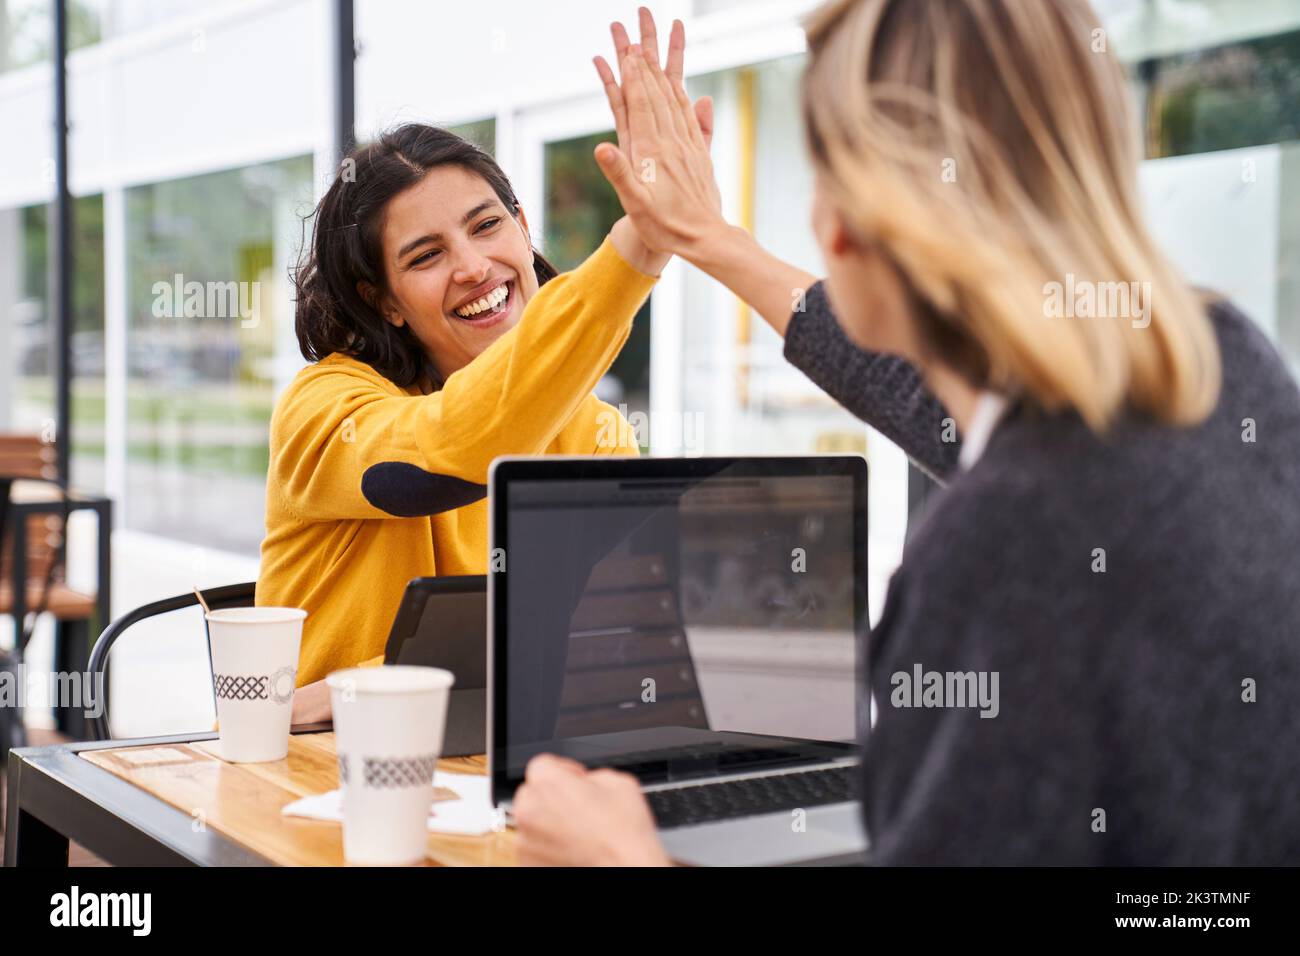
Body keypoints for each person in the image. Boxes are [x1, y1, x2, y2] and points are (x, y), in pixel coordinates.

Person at [512, 3, 1300, 865]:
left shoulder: (995, 554)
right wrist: (713, 241)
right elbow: (932, 395)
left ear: (848, 222)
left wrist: (628, 859)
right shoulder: (1223, 364)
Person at [258, 124, 682, 723]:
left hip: (499, 758)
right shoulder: (326, 409)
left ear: (524, 227)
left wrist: (352, 686)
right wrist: (636, 248)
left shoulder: (594, 433)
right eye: (426, 256)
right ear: (385, 302)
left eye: (487, 225)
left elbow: (608, 638)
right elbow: (454, 452)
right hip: (320, 767)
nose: (474, 266)